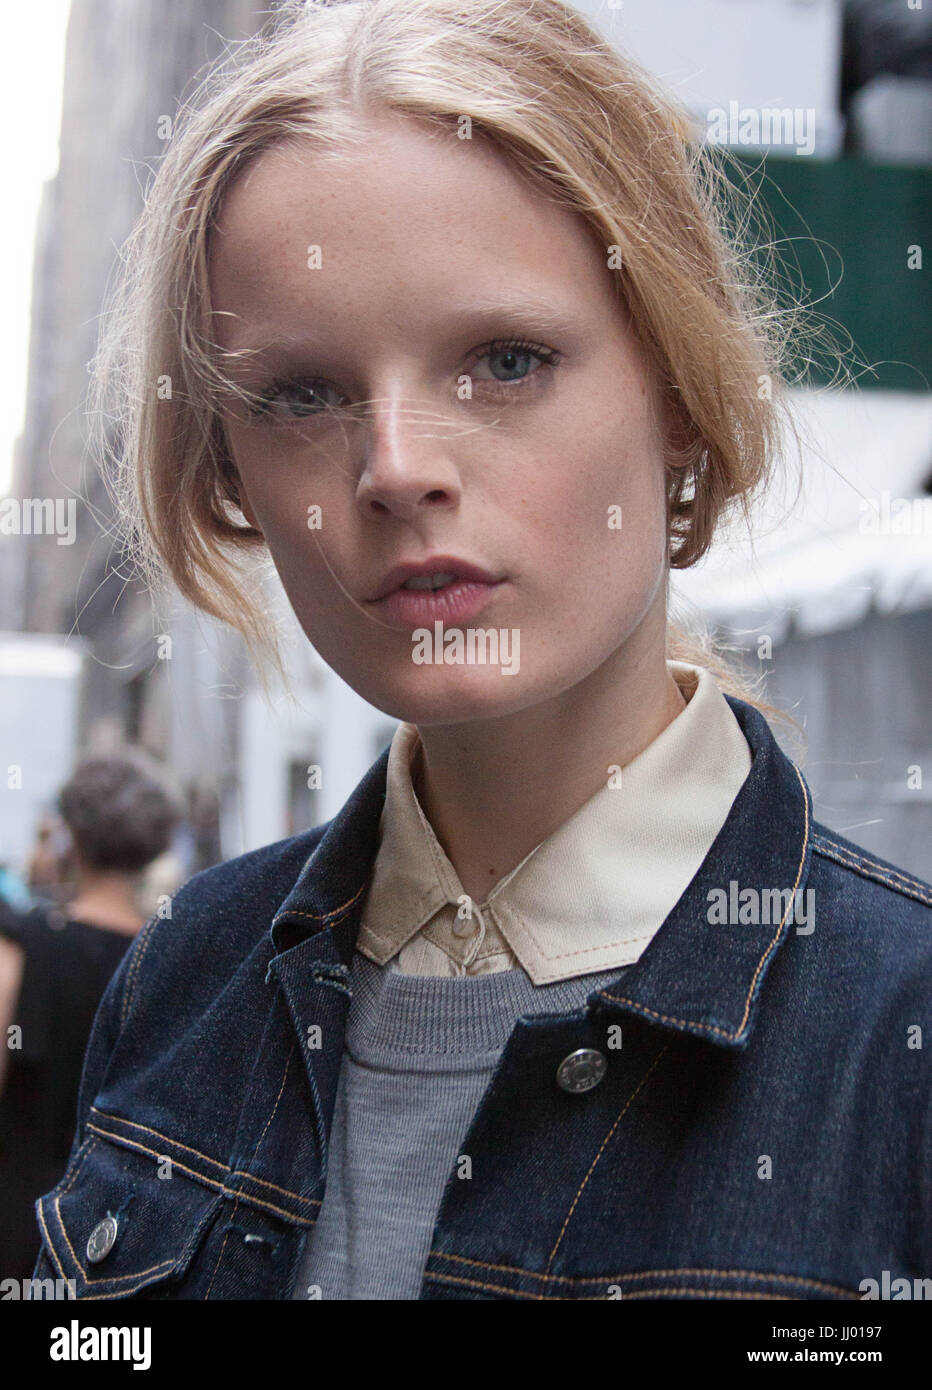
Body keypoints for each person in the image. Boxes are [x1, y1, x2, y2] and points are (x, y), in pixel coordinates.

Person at [30, 0, 930, 1301]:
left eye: (504, 361)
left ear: (676, 396)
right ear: (226, 469)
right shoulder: (178, 977)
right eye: (302, 392)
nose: (396, 467)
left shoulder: (895, 1039)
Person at [0, 750, 182, 1280]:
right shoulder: (170, 958)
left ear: (72, 836)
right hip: (125, 1244)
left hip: (21, 1227)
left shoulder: (24, 948)